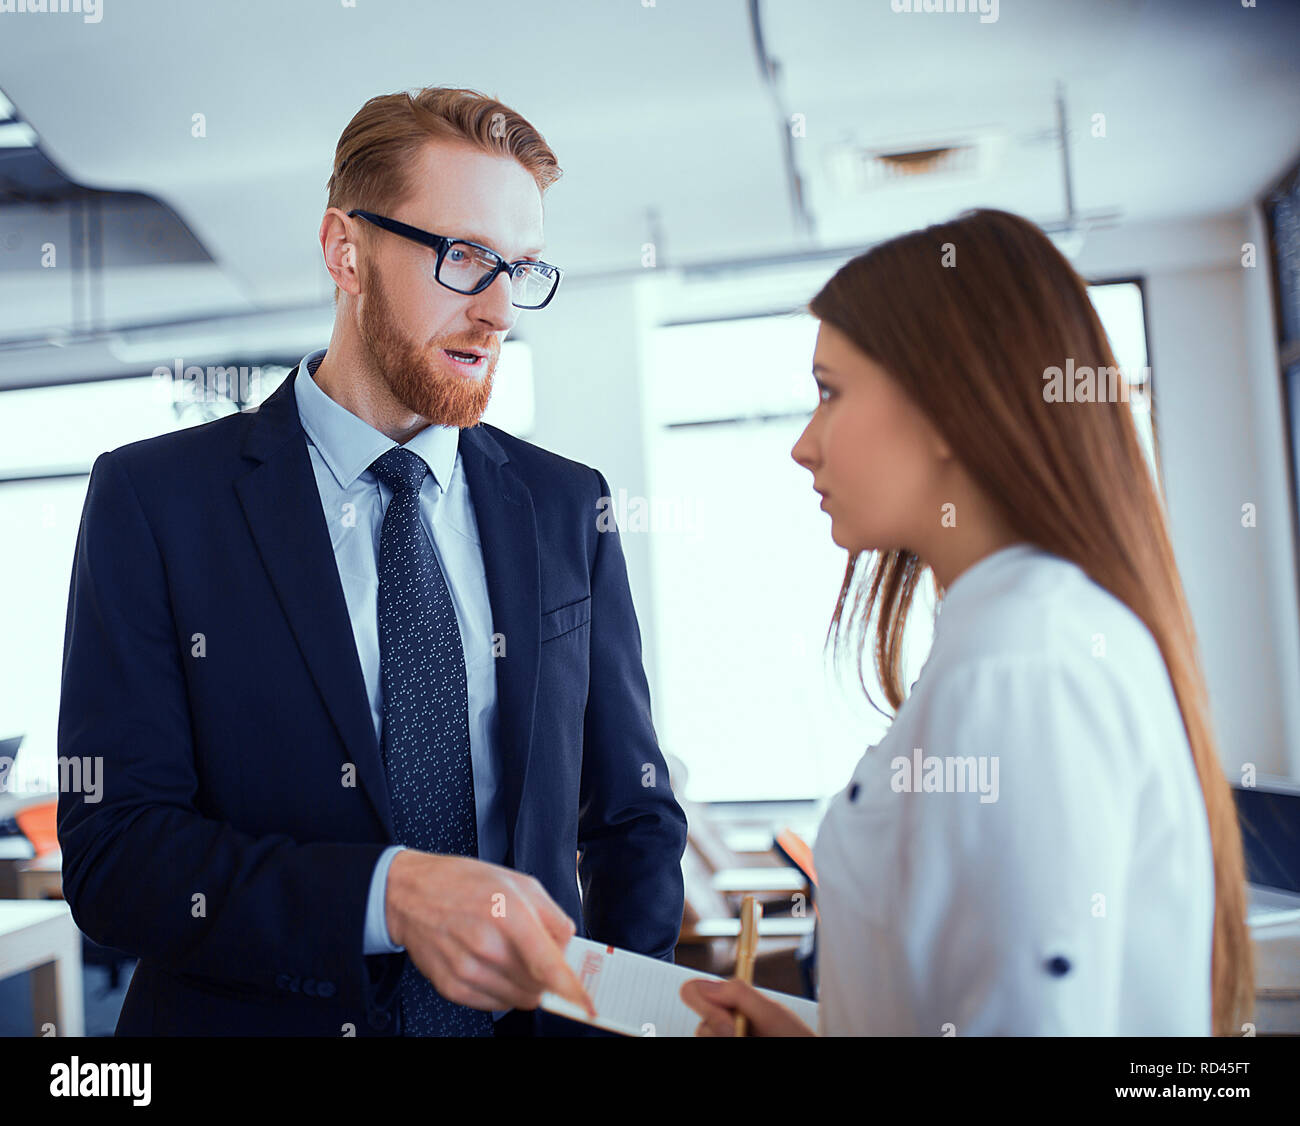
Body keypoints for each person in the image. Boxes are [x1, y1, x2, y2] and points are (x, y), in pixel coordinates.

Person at [57, 86, 688, 1037]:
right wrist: (388, 896)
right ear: (345, 250)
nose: (501, 311)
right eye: (465, 257)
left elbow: (632, 816)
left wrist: (634, 1016)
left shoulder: (565, 506)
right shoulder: (157, 501)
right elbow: (115, 857)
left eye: (521, 267)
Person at [681, 208, 1254, 1036]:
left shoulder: (1021, 668)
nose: (803, 445)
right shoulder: (1013, 639)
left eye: (831, 392)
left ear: (950, 403)